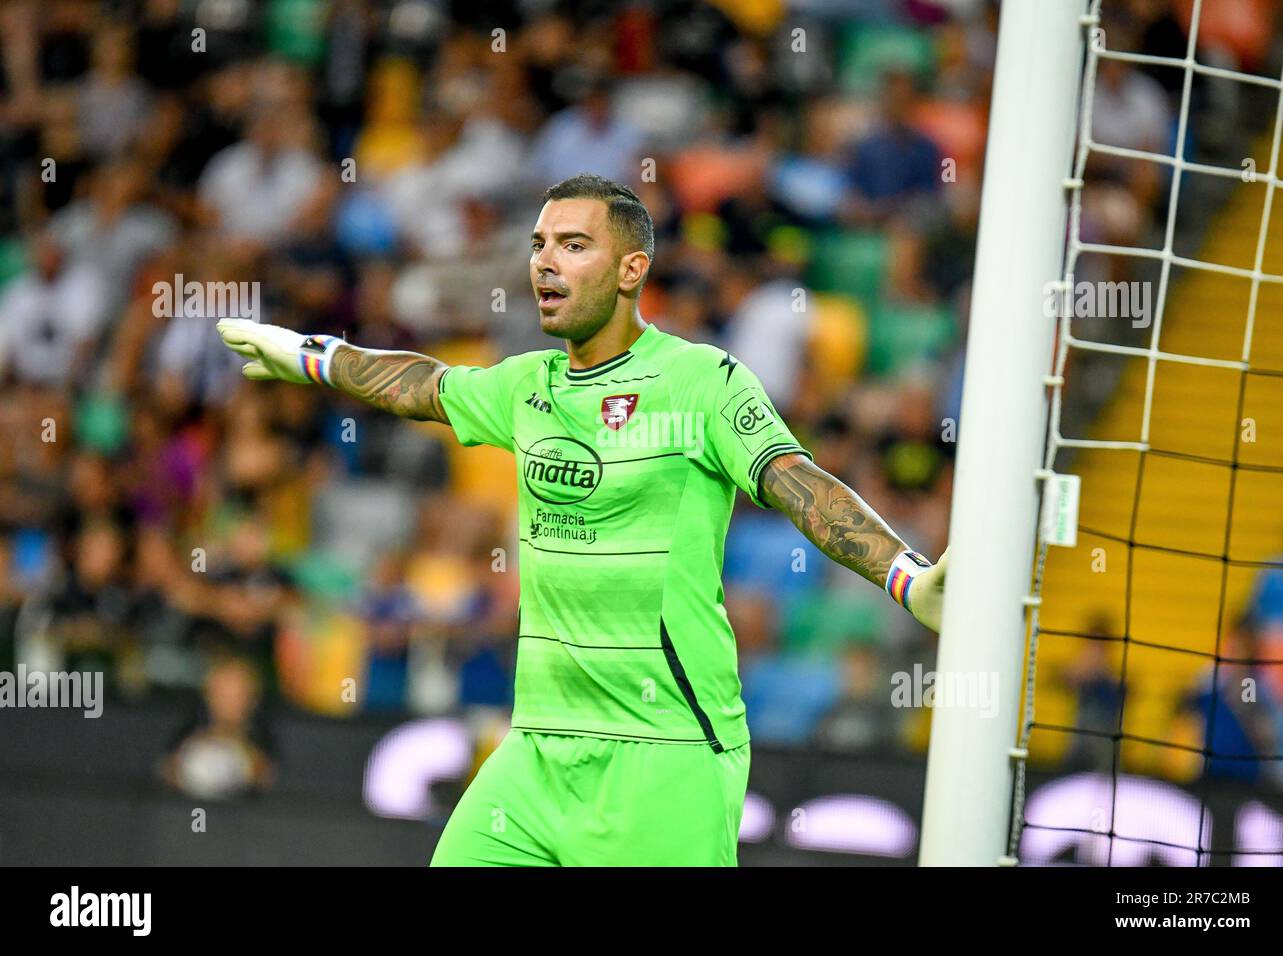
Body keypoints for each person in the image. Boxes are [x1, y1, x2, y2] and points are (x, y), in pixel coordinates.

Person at [216, 173, 948, 866]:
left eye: (573, 244)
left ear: (631, 270)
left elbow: (799, 485)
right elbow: (422, 386)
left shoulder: (703, 383)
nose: (544, 262)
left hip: (665, 750)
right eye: (538, 244)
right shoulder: (529, 386)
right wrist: (314, 355)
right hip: (535, 754)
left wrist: (905, 577)